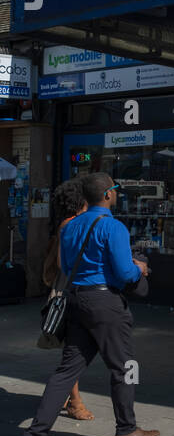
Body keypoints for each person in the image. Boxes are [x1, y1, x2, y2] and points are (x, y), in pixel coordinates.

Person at [16, 172, 158, 436]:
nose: (116, 194)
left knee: (66, 371)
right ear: (107, 194)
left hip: (76, 300)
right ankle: (126, 429)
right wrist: (139, 270)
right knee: (124, 366)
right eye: (115, 190)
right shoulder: (113, 227)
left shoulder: (69, 227)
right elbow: (123, 272)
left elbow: (66, 266)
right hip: (105, 302)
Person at [41, 178, 93, 421]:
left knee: (72, 347)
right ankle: (74, 401)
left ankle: (67, 395)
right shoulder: (71, 225)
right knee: (72, 348)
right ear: (81, 201)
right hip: (68, 289)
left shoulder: (67, 223)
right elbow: (66, 263)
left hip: (66, 288)